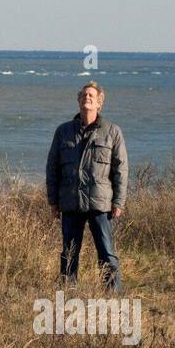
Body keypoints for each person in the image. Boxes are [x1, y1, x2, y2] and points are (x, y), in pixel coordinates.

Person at [46, 81, 128, 292]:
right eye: (84, 95)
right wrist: (53, 201)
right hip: (71, 201)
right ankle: (68, 291)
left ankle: (112, 293)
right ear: (78, 100)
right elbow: (52, 167)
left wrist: (118, 201)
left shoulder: (112, 132)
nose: (87, 98)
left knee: (106, 251)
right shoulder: (63, 131)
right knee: (69, 251)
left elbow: (121, 169)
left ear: (99, 103)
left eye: (91, 95)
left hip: (100, 202)